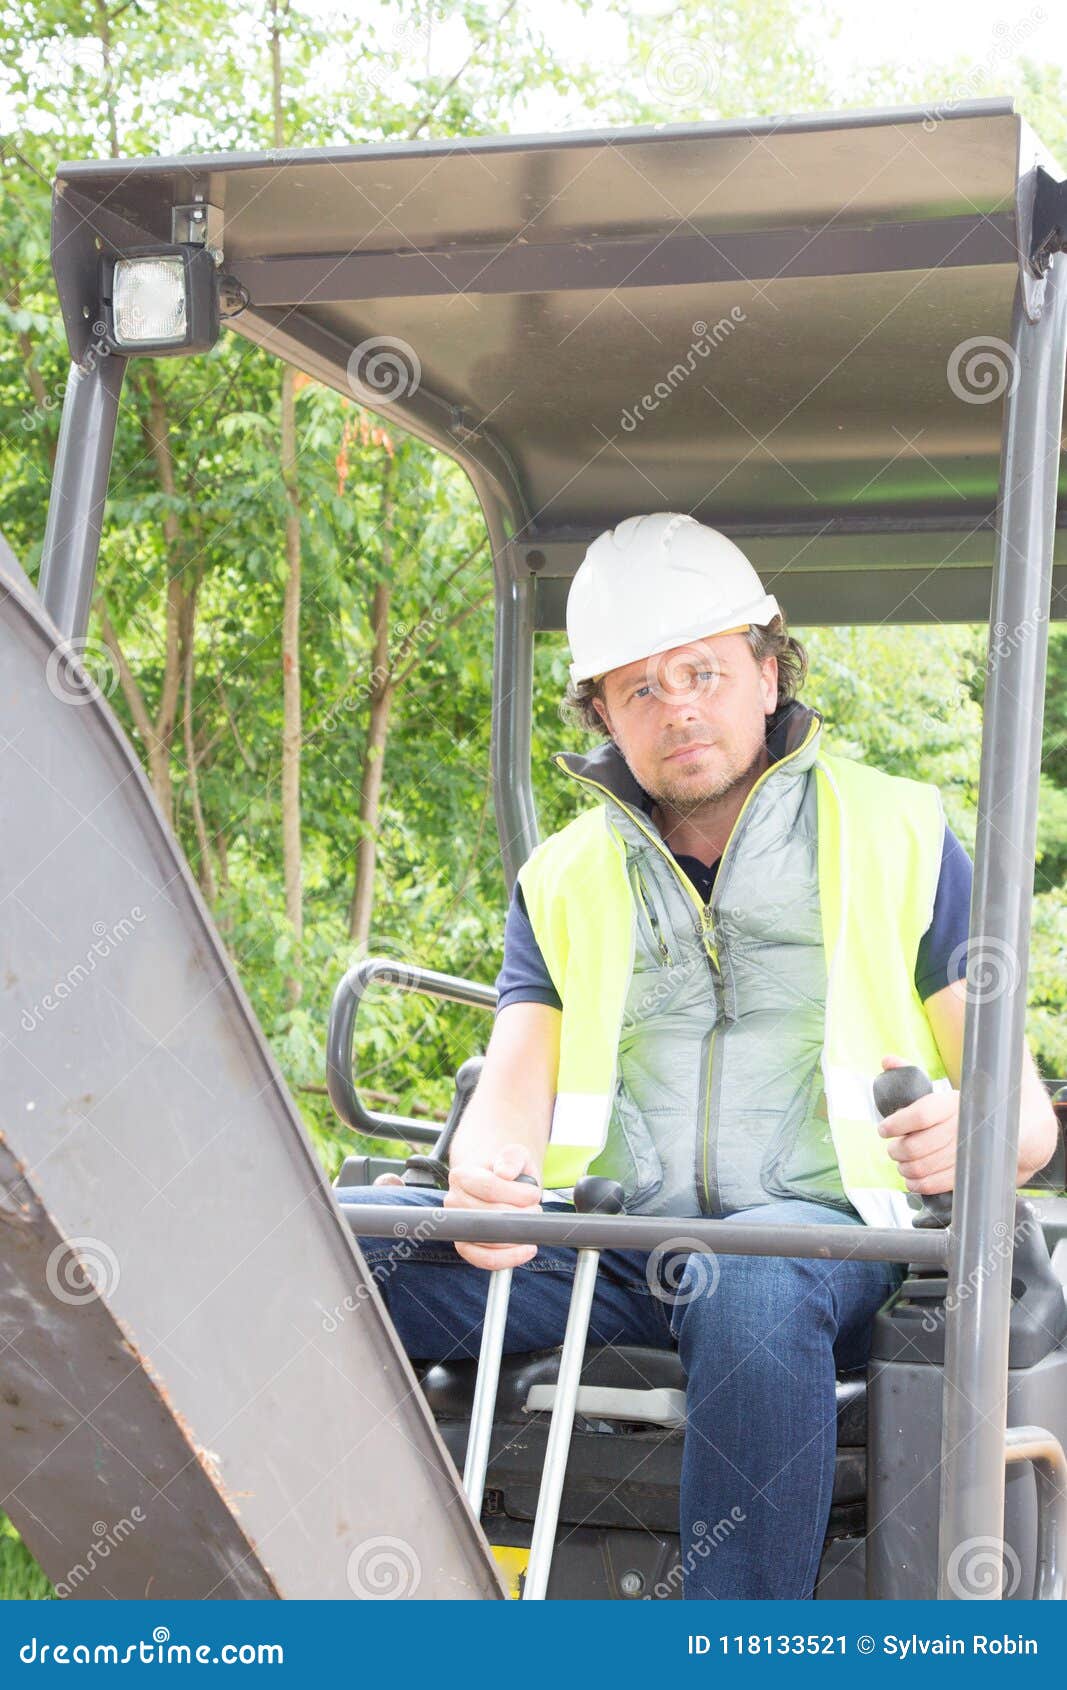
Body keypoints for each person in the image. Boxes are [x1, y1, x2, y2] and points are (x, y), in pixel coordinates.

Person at [339, 511, 1057, 1599]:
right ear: (603, 715)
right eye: (639, 688)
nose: (677, 706)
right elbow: (512, 1082)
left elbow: (1029, 1125)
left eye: (703, 671)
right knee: (327, 1253)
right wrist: (484, 1173)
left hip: (829, 1250)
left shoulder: (898, 832)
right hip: (614, 1247)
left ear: (767, 674)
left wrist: (979, 1126)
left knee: (749, 1276)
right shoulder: (564, 876)